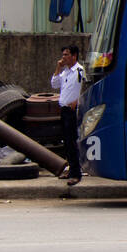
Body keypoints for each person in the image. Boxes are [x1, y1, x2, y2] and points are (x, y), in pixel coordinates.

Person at [51, 45, 86, 186]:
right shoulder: (65, 72)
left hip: (73, 111)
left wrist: (77, 102)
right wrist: (58, 68)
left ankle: (76, 173)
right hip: (64, 109)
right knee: (66, 142)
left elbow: (86, 88)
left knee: (72, 141)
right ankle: (71, 169)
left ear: (74, 56)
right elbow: (54, 84)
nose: (63, 57)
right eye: (63, 54)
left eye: (66, 55)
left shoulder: (79, 71)